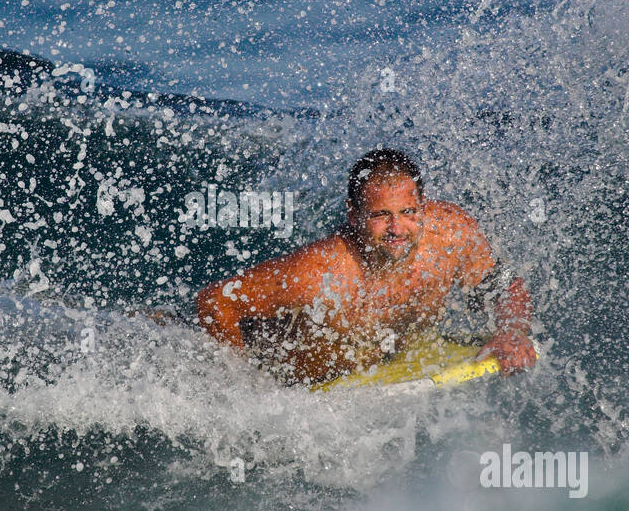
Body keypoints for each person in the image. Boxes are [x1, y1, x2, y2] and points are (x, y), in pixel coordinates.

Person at [195, 149, 537, 385]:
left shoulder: (451, 233)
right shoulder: (322, 272)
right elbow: (215, 301)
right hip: (286, 373)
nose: (397, 229)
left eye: (408, 212)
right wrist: (247, 384)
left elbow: (502, 286)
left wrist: (512, 330)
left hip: (379, 366)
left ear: (422, 205)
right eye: (380, 215)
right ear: (353, 215)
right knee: (173, 331)